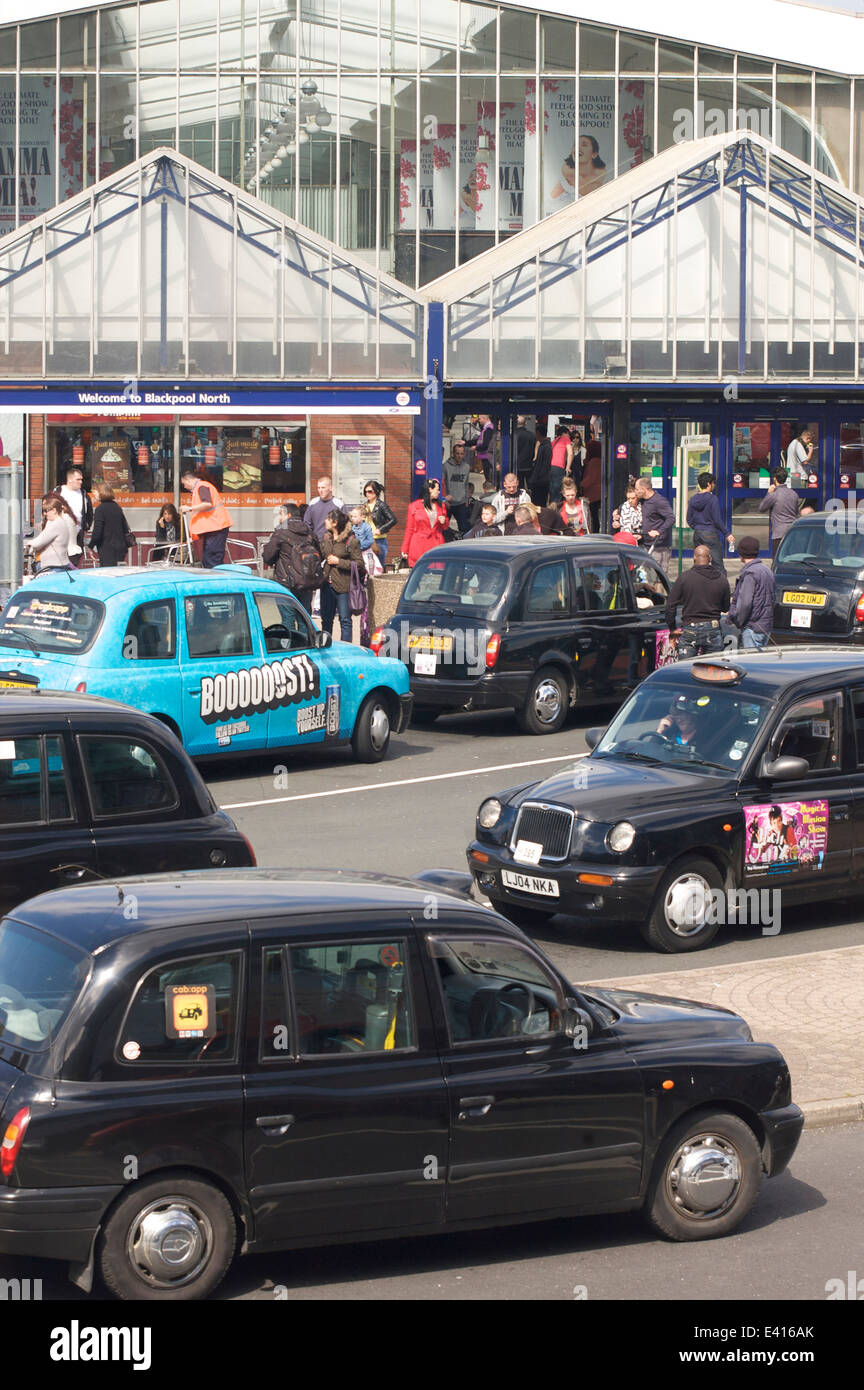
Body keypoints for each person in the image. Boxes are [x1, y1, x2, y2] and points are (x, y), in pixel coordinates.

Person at [664, 544, 730, 658]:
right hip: (713, 628)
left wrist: (672, 628)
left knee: (685, 669)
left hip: (690, 628)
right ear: (710, 559)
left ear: (694, 558)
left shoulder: (685, 578)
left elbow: (670, 605)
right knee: (712, 669)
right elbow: (726, 607)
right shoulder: (721, 579)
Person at [262, 502, 323, 614]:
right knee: (304, 619)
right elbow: (320, 555)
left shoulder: (280, 532)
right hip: (306, 581)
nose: (279, 518)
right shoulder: (309, 532)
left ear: (288, 515)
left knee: (287, 618)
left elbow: (267, 556)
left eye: (281, 514)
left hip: (286, 582)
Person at [724, 535, 774, 648]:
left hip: (752, 627)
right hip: (765, 626)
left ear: (741, 553)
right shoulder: (767, 570)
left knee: (750, 663)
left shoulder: (750, 574)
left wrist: (738, 621)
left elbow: (745, 603)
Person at [320, 509, 363, 642]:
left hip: (344, 587)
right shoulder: (326, 538)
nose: (325, 521)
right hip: (327, 585)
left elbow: (360, 564)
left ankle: (346, 650)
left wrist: (339, 562)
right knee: (326, 620)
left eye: (328, 518)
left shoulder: (351, 540)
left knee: (345, 620)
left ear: (335, 522)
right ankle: (325, 648)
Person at [180, 470, 233, 568]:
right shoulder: (200, 488)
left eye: (184, 483)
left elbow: (207, 504)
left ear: (188, 480)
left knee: (211, 559)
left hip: (216, 527)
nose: (184, 487)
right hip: (214, 528)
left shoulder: (201, 487)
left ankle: (216, 580)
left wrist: (189, 508)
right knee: (208, 558)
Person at [687, 473, 734, 571]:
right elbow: (717, 519)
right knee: (717, 564)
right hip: (710, 534)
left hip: (697, 534)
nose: (714, 485)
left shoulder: (693, 499)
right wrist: (727, 533)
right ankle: (720, 584)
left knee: (700, 562)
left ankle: (700, 583)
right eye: (713, 483)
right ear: (708, 484)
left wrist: (697, 527)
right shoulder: (713, 499)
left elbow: (689, 518)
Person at [401, 479, 449, 567]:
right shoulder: (414, 506)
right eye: (437, 489)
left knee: (436, 572)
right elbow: (409, 529)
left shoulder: (440, 505)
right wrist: (405, 549)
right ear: (430, 489)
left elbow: (445, 527)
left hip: (436, 543)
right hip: (419, 544)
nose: (439, 492)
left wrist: (444, 521)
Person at [634, 474, 674, 575]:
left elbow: (671, 518)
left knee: (658, 578)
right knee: (648, 578)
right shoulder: (643, 501)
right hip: (646, 544)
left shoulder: (659, 501)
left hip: (659, 546)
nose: (635, 492)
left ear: (644, 489)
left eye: (637, 489)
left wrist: (659, 531)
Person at [25, 497, 74, 575]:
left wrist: (29, 543)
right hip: (58, 565)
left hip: (54, 566)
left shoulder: (56, 524)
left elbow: (39, 541)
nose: (44, 514)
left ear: (54, 510)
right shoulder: (59, 522)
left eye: (46, 511)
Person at [759, 468, 800, 559]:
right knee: (791, 559)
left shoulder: (774, 494)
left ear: (775, 479)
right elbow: (796, 512)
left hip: (779, 533)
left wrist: (769, 493)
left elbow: (762, 508)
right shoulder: (794, 494)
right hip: (792, 531)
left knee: (778, 560)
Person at [90, 482, 132, 567]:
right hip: (120, 548)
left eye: (96, 491)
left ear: (102, 492)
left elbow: (97, 532)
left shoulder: (100, 509)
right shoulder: (117, 507)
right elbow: (125, 528)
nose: (94, 493)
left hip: (107, 548)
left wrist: (90, 546)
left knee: (107, 573)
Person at [59, 465, 93, 567]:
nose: (81, 482)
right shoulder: (59, 492)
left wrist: (86, 526)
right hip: (60, 533)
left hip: (77, 534)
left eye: (81, 479)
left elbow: (89, 512)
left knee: (74, 560)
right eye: (77, 479)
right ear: (69, 480)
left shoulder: (83, 494)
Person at [361, 480, 397, 565]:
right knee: (367, 566)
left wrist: (380, 530)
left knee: (379, 566)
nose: (367, 494)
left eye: (370, 491)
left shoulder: (381, 505)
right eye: (365, 492)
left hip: (379, 541)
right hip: (366, 540)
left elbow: (393, 520)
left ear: (376, 491)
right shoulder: (364, 506)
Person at [442, 440, 473, 535]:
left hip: (461, 502)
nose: (460, 456)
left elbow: (466, 484)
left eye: (462, 454)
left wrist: (467, 498)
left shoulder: (466, 467)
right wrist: (444, 499)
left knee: (464, 528)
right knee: (443, 527)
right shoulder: (445, 467)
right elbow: (443, 484)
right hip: (448, 503)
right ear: (453, 453)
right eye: (457, 453)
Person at [305, 475, 345, 543]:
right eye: (318, 488)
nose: (320, 490)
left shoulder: (339, 504)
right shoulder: (313, 503)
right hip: (316, 543)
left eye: (323, 488)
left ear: (330, 488)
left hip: (334, 543)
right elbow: (307, 524)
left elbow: (345, 525)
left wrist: (339, 540)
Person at [548, 424, 573, 505]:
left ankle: (552, 510)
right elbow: (570, 453)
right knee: (558, 492)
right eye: (568, 433)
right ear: (564, 433)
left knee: (552, 492)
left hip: (551, 467)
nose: (569, 436)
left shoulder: (554, 441)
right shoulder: (566, 439)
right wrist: (568, 467)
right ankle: (556, 512)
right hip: (559, 468)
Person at [529, 424, 553, 507]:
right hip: (542, 480)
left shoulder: (545, 447)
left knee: (539, 502)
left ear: (538, 433)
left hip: (541, 481)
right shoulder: (545, 446)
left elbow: (544, 464)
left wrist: (536, 478)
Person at [581, 440, 603, 532]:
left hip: (593, 494)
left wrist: (580, 484)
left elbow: (590, 478)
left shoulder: (594, 462)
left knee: (592, 516)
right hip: (597, 493)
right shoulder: (600, 461)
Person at [474, 414, 496, 487]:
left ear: (485, 418)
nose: (478, 420)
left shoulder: (489, 429)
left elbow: (485, 444)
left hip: (487, 456)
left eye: (480, 419)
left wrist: (476, 448)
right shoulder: (486, 428)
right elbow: (479, 440)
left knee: (488, 477)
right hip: (485, 456)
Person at [515, 415, 535, 490]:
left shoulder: (514, 435)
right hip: (529, 464)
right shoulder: (531, 435)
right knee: (530, 487)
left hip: (517, 464)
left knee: (519, 487)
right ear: (525, 423)